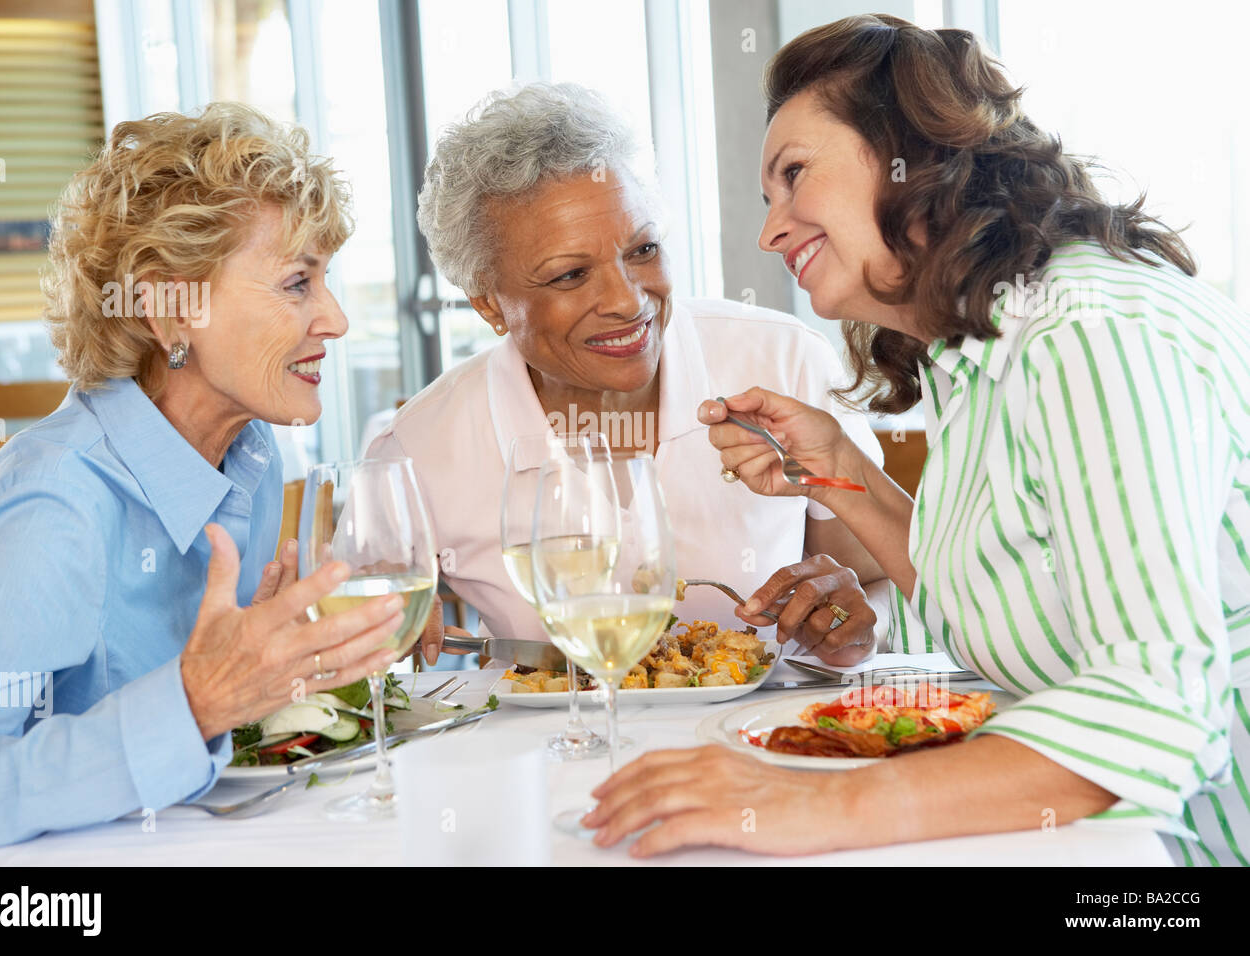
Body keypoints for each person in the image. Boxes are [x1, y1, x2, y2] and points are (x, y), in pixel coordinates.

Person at [584, 14, 1249, 866]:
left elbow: (1157, 705)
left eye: (794, 177)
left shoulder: (1089, 334)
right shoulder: (988, 348)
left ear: (916, 154)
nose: (771, 231)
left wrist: (811, 802)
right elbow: (1003, 603)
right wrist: (843, 474)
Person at [0, 104, 408, 857]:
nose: (335, 319)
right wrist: (197, 702)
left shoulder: (254, 457)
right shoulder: (54, 503)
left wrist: (273, 671)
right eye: (297, 283)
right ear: (170, 309)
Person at [369, 82, 890, 664]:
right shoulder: (418, 447)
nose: (626, 300)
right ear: (489, 303)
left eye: (642, 250)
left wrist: (853, 625)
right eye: (569, 275)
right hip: (548, 753)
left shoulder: (782, 359)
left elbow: (873, 579)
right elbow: (365, 622)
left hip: (764, 739)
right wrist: (383, 633)